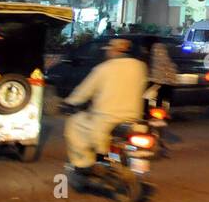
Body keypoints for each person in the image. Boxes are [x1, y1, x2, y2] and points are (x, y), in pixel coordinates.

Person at [63, 37, 149, 176]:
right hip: (132, 119)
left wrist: (69, 103)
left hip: (105, 120)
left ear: (114, 51)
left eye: (109, 49)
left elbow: (84, 92)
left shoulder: (103, 68)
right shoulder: (140, 67)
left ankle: (83, 164)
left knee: (74, 122)